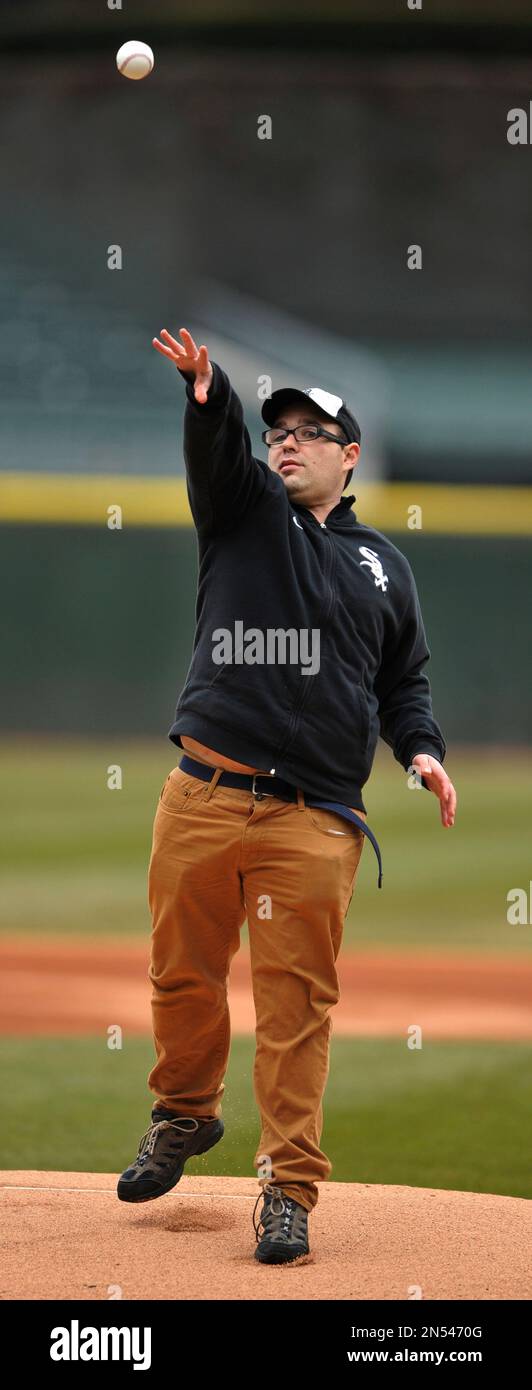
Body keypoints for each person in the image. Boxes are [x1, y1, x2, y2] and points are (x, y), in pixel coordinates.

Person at [117, 327, 456, 1265]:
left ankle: (289, 1190)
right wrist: (209, 394)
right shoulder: (243, 511)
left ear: (352, 455)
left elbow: (405, 684)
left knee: (295, 1008)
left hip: (314, 821)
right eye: (280, 432)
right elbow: (219, 447)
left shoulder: (385, 564)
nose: (288, 443)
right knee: (180, 975)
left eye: (312, 431)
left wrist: (421, 750)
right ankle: (185, 1112)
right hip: (203, 796)